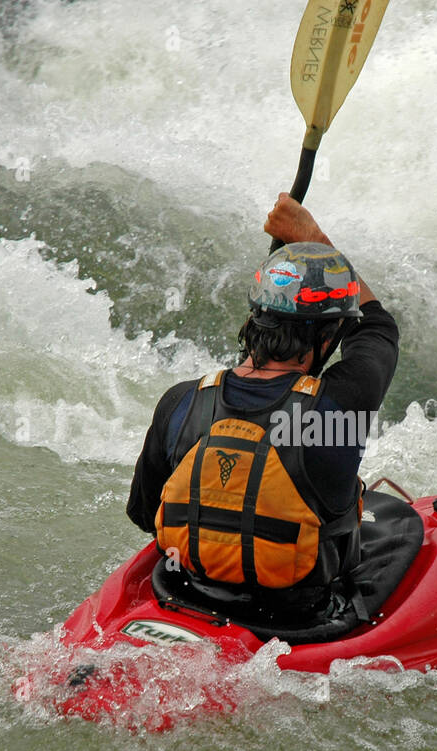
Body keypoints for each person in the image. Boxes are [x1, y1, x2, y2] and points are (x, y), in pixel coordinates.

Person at [126, 194, 400, 620]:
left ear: (253, 319)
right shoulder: (340, 407)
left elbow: (146, 516)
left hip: (189, 594)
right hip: (298, 617)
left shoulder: (181, 402)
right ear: (326, 340)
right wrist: (315, 239)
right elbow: (378, 326)